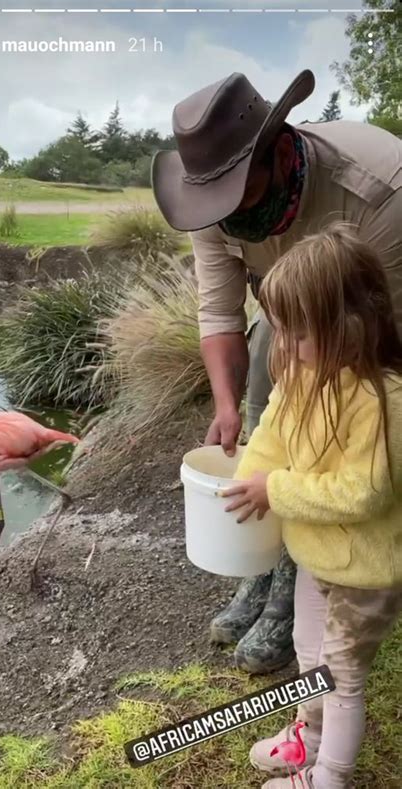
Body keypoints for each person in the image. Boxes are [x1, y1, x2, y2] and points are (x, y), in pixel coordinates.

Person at [151, 70, 402, 673]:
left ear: (278, 150)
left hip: (377, 311)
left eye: (239, 197)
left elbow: (381, 333)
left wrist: (321, 417)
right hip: (291, 309)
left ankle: (313, 582)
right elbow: (220, 311)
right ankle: (265, 574)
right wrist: (230, 406)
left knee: (346, 433)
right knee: (272, 412)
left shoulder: (379, 189)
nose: (224, 217)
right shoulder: (211, 201)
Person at [219, 223, 402, 788]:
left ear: (353, 326)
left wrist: (274, 490)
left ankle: (330, 778)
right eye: (280, 330)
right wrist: (244, 480)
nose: (284, 347)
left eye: (299, 333)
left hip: (366, 572)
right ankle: (309, 742)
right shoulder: (301, 373)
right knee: (308, 657)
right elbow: (270, 437)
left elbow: (363, 492)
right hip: (315, 554)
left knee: (343, 676)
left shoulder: (381, 399)